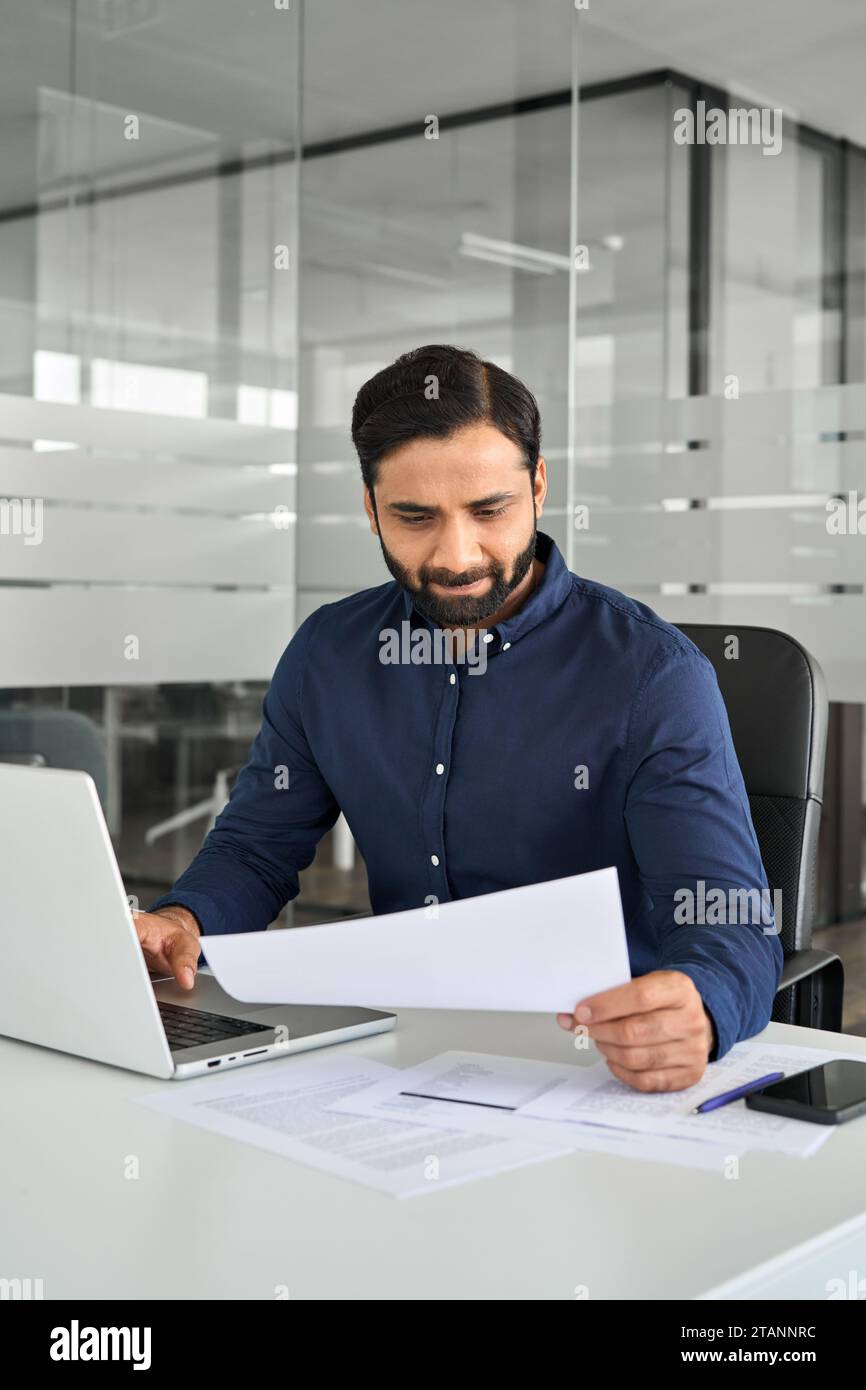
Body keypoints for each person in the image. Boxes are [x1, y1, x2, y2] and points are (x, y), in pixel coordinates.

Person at [137, 343, 782, 1093]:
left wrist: (703, 1005)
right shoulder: (330, 654)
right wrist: (185, 921)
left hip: (591, 1067)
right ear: (371, 508)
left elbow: (728, 917)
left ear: (538, 486)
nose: (456, 554)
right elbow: (254, 852)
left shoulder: (653, 677)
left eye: (489, 510)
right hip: (398, 1059)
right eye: (414, 516)